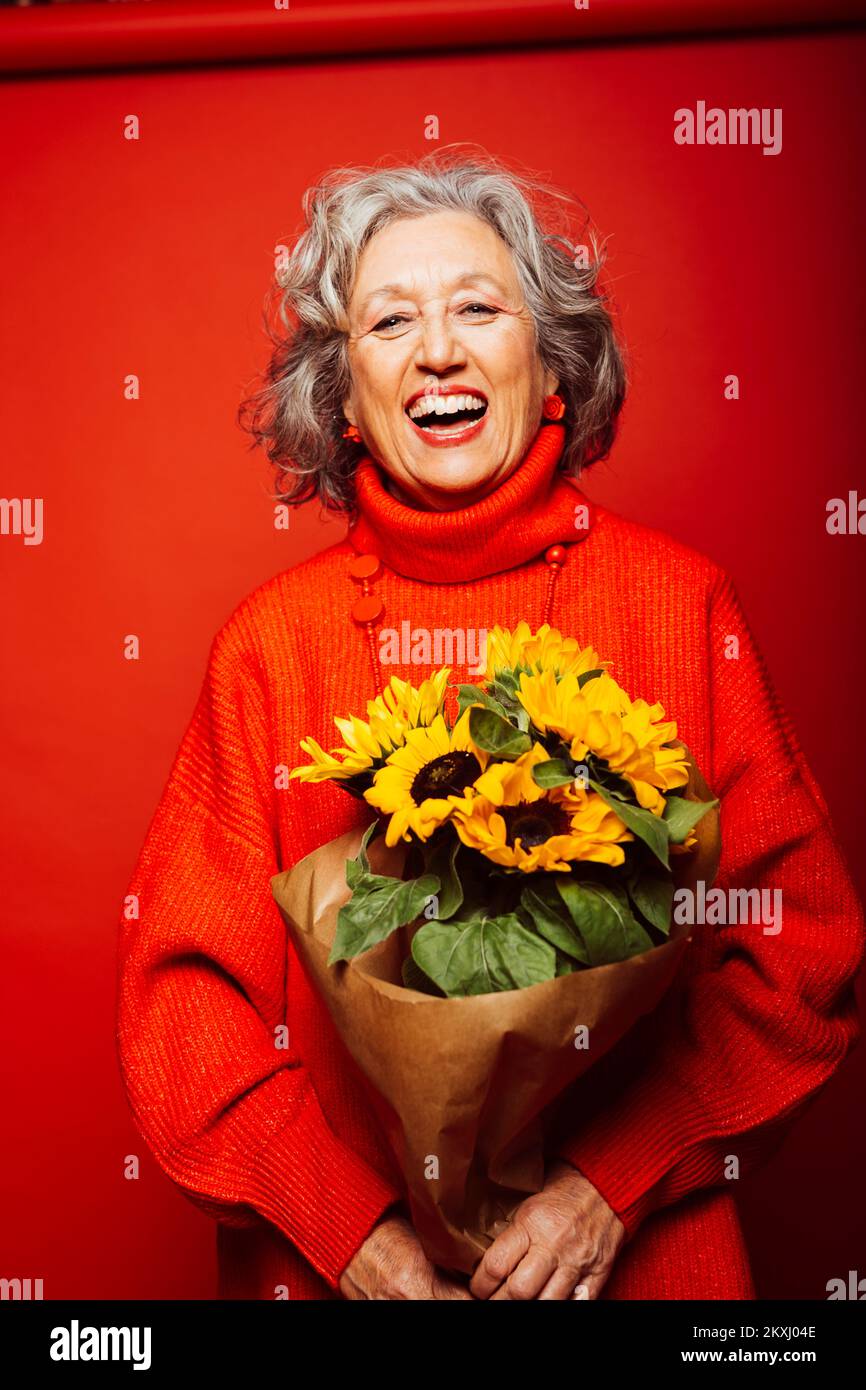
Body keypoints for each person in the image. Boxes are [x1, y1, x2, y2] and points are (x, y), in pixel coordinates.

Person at [116, 148, 865, 1300]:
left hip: (640, 1261)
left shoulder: (679, 605)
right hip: (340, 1279)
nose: (438, 350)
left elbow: (795, 948)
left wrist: (609, 1183)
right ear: (343, 394)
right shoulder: (268, 644)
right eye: (388, 322)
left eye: (477, 307)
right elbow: (185, 1006)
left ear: (550, 362)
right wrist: (347, 1229)